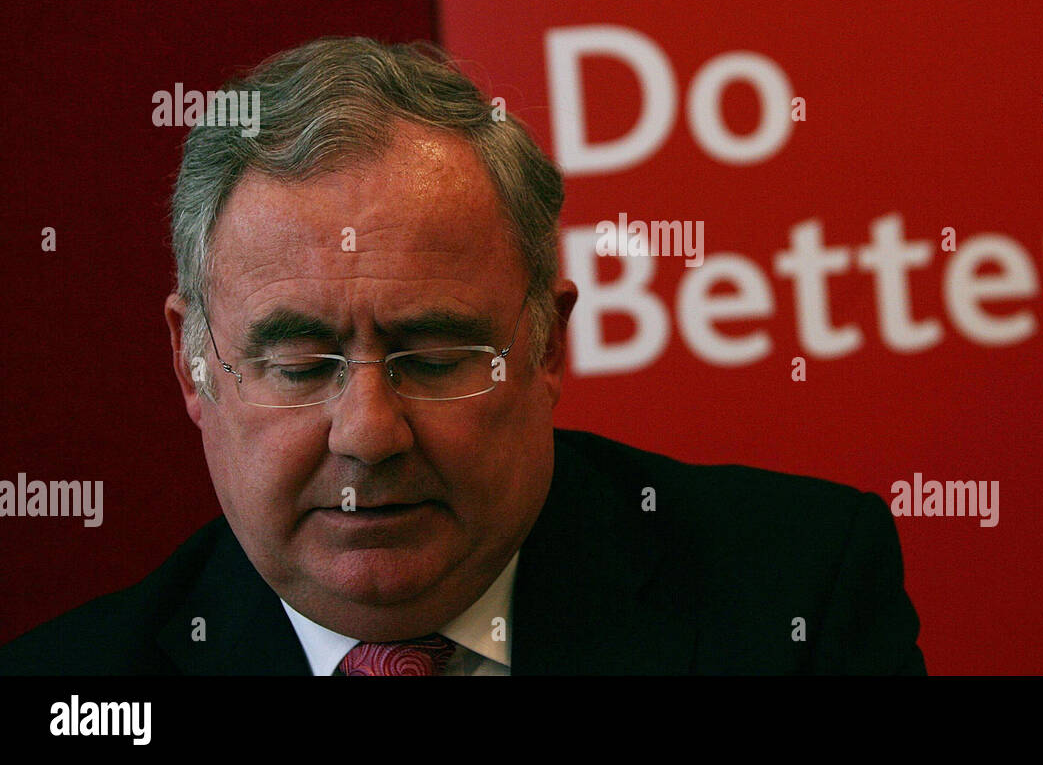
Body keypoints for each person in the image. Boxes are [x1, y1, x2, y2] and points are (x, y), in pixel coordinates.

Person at [0, 37, 925, 675]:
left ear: (547, 344)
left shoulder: (793, 601)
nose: (368, 434)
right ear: (193, 362)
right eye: (300, 366)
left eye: (435, 357)